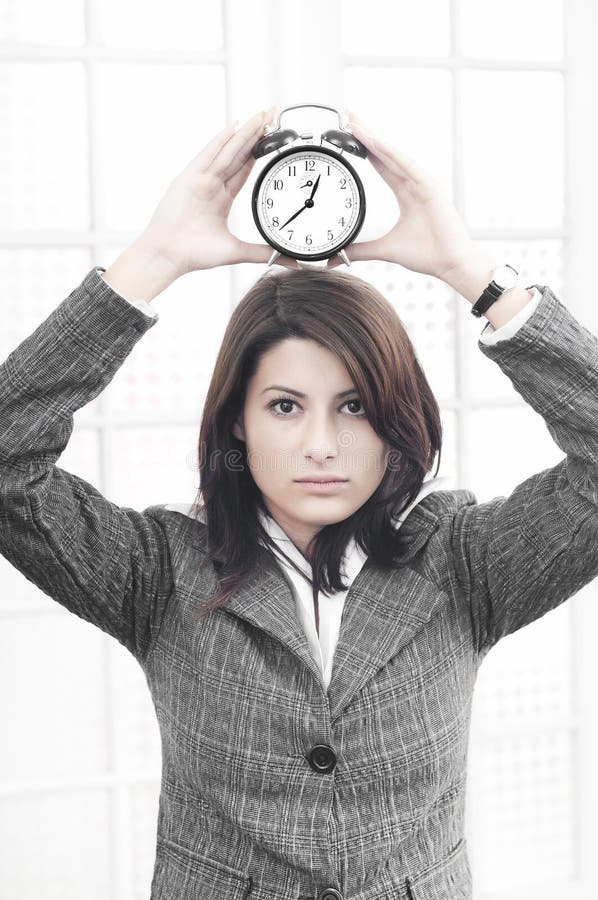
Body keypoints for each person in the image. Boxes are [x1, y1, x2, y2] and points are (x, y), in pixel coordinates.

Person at [1, 106, 597, 900]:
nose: (321, 443)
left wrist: (475, 275)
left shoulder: (462, 565)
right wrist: (154, 260)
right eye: (285, 406)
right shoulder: (157, 574)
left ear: (396, 421)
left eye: (353, 406)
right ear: (237, 426)